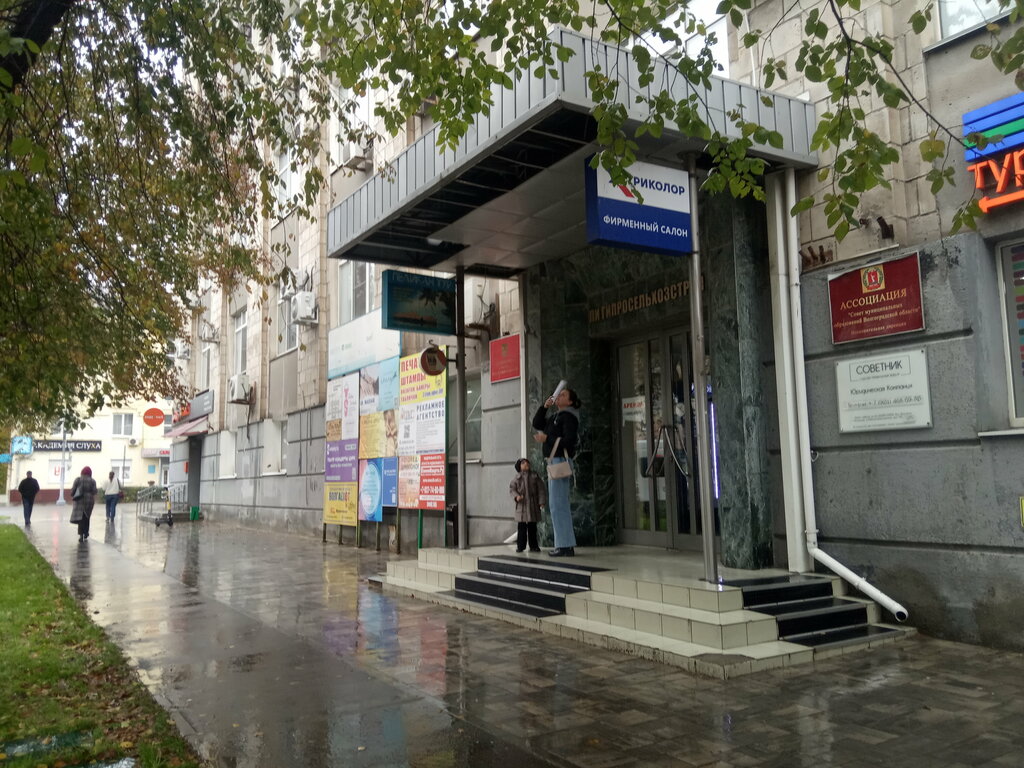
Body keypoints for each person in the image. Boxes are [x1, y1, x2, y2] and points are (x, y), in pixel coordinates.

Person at [532, 386, 582, 557]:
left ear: (570, 401)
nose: (558, 396)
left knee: (558, 504)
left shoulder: (569, 417)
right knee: (556, 504)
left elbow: (569, 441)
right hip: (554, 462)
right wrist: (544, 407)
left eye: (563, 395)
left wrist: (547, 438)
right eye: (558, 394)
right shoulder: (556, 416)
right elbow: (537, 423)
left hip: (560, 461)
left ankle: (565, 545)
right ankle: (564, 544)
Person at [509, 458, 546, 553]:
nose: (526, 464)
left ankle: (533, 546)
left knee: (532, 527)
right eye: (523, 463)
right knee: (521, 527)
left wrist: (541, 501)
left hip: (533, 504)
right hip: (522, 506)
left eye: (527, 463)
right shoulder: (517, 478)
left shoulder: (535, 476)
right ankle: (520, 546)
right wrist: (517, 496)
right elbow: (512, 489)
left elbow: (541, 489)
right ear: (519, 466)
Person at [70, 466, 98, 542]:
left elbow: (72, 491)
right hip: (89, 500)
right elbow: (95, 491)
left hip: (79, 500)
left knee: (80, 518)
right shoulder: (93, 481)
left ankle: (81, 535)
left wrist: (73, 494)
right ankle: (86, 532)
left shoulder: (78, 480)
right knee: (87, 517)